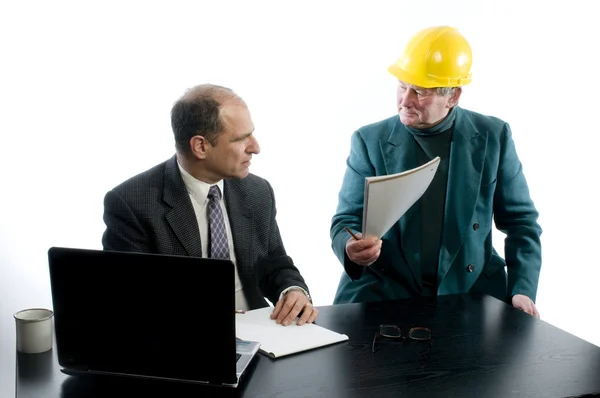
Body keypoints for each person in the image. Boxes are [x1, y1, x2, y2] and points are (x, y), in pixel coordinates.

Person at [330, 26, 542, 317]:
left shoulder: (494, 136)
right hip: (384, 289)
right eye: (402, 86)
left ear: (453, 96)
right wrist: (350, 248)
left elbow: (521, 223)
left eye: (420, 91)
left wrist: (521, 289)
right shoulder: (368, 140)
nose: (405, 100)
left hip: (471, 291)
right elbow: (346, 219)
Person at [102, 83, 318, 326]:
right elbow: (131, 302)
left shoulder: (258, 191)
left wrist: (292, 290)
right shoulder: (132, 203)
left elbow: (274, 263)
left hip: (262, 329)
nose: (255, 147)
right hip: (182, 335)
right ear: (201, 146)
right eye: (241, 138)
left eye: (252, 134)